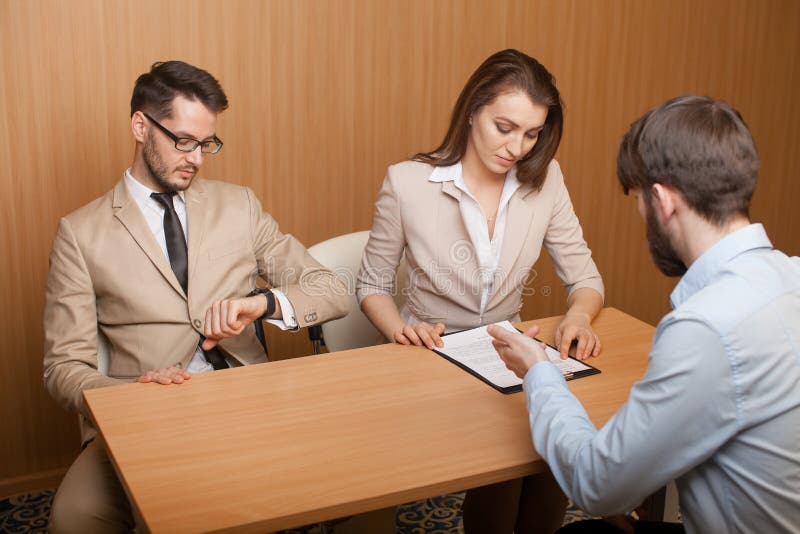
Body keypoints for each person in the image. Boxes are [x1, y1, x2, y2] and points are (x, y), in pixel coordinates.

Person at [43, 60, 348, 534]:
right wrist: (132, 398)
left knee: (363, 473)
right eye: (183, 141)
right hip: (143, 415)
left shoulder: (239, 205)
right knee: (73, 517)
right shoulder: (80, 234)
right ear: (141, 126)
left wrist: (262, 304)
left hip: (248, 400)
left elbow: (330, 289)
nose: (197, 158)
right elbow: (63, 367)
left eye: (207, 144)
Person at [489, 95, 800, 534]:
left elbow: (597, 486)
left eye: (638, 200)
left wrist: (539, 372)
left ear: (663, 201)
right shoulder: (792, 277)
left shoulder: (705, 327)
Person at [357, 49, 605, 533]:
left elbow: (586, 280)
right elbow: (371, 285)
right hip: (429, 357)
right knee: (517, 443)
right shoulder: (408, 182)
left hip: (502, 353)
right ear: (473, 111)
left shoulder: (546, 180)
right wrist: (400, 329)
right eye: (505, 127)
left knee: (550, 441)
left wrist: (578, 317)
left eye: (532, 134)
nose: (517, 147)